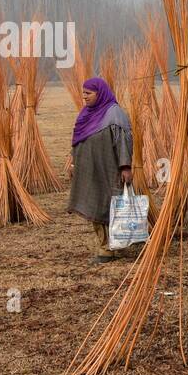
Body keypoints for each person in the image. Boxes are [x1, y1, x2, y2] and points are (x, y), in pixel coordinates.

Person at [66, 77, 134, 262]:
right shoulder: (85, 114)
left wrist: (125, 166)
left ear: (100, 93)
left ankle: (109, 248)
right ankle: (105, 245)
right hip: (89, 169)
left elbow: (123, 141)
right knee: (93, 202)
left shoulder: (114, 114)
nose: (84, 97)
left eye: (88, 93)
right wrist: (73, 162)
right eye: (83, 93)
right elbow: (78, 139)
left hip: (108, 168)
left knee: (109, 205)